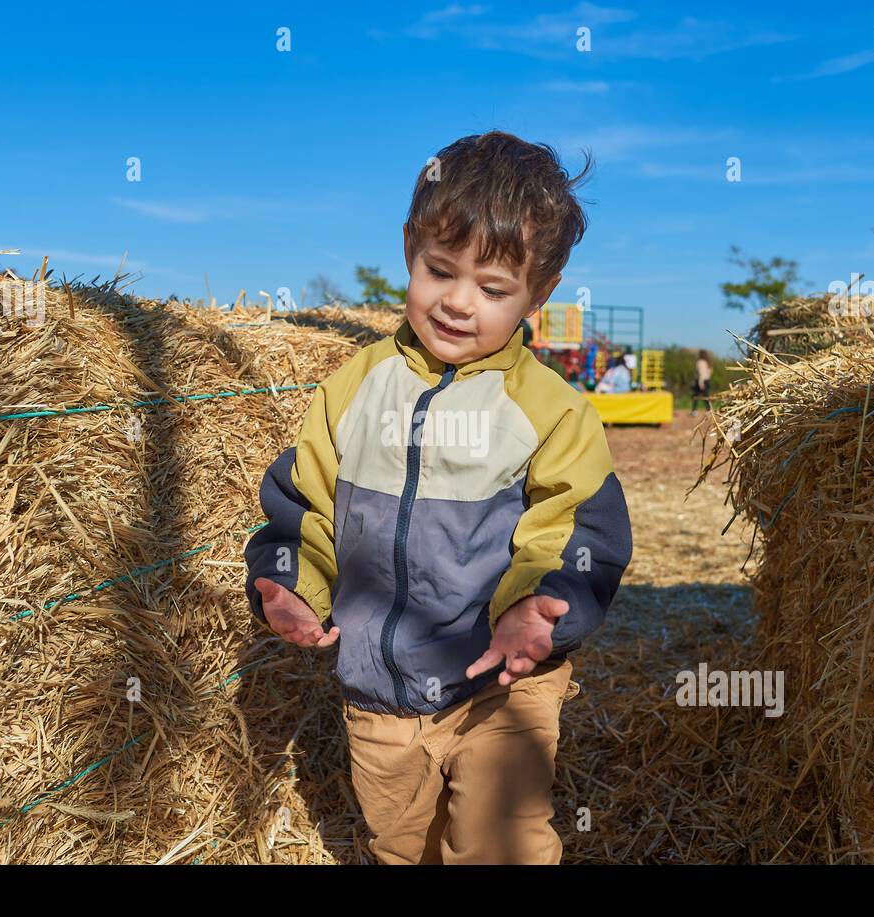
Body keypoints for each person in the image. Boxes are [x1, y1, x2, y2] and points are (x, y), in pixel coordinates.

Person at [244, 131, 633, 865]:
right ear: (407, 249)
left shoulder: (551, 409)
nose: (457, 302)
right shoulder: (353, 387)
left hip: (501, 685)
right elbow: (302, 509)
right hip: (377, 690)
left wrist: (539, 606)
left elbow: (580, 532)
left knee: (499, 845)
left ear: (539, 296)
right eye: (439, 270)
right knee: (402, 845)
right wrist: (291, 581)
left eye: (492, 289)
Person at [691, 348, 713, 415]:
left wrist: (700, 382)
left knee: (696, 396)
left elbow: (701, 373)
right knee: (706, 396)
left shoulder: (700, 362)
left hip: (700, 380)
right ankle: (709, 409)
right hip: (707, 380)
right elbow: (709, 372)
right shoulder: (708, 362)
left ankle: (694, 410)